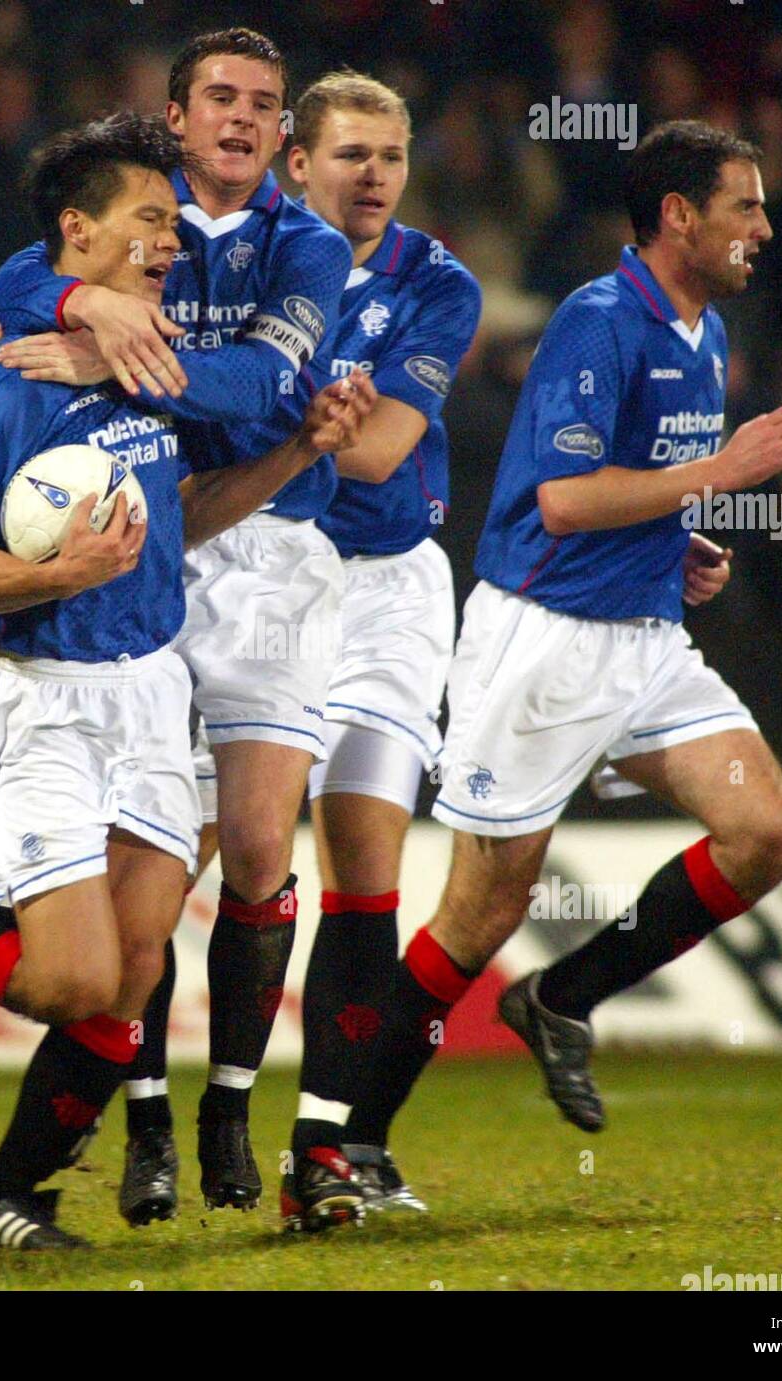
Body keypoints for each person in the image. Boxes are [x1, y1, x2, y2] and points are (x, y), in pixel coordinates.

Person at [0, 113, 371, 1251]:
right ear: (80, 235)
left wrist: (295, 455)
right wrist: (58, 569)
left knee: (127, 986)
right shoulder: (7, 384)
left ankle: (7, 1203)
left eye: (174, 222)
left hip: (150, 697)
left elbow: (178, 518)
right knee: (65, 980)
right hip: (43, 700)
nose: (170, 241)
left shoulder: (149, 374)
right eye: (150, 220)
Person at [340, 120, 782, 1179]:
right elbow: (559, 501)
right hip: (543, 647)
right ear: (679, 217)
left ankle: (560, 996)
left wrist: (674, 541)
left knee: (765, 830)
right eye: (745, 206)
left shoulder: (702, 332)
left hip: (645, 641)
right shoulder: (598, 321)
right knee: (481, 909)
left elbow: (627, 488)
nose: (765, 229)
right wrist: (722, 475)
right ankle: (345, 1145)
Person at [0, 28, 357, 1223]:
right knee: (145, 873)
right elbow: (7, 286)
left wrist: (117, 348)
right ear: (180, 114)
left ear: (283, 134)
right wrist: (82, 295)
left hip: (265, 543)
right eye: (221, 100)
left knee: (253, 844)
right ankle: (141, 1123)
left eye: (264, 105)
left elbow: (263, 391)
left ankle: (227, 1103)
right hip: (140, 528)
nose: (242, 120)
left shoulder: (306, 245)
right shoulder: (133, 223)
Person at [268, 71, 482, 1230]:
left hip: (388, 591)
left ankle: (322, 1153)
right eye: (350, 154)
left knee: (363, 861)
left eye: (389, 157)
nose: (372, 176)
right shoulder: (239, 259)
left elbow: (380, 449)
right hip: (256, 569)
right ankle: (161, 1123)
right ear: (295, 162)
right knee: (220, 857)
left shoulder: (436, 284)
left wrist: (243, 403)